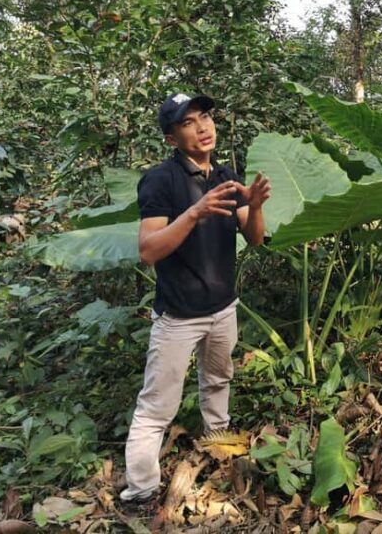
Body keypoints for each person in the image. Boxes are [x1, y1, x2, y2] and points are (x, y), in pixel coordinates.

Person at [120, 92, 271, 503]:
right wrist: (195, 212)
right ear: (171, 138)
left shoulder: (226, 175)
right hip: (178, 315)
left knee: (219, 380)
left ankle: (216, 446)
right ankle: (141, 491)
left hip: (223, 308)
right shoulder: (160, 180)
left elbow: (254, 239)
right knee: (157, 407)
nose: (202, 127)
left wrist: (254, 206)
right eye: (188, 122)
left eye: (205, 116)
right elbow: (149, 250)